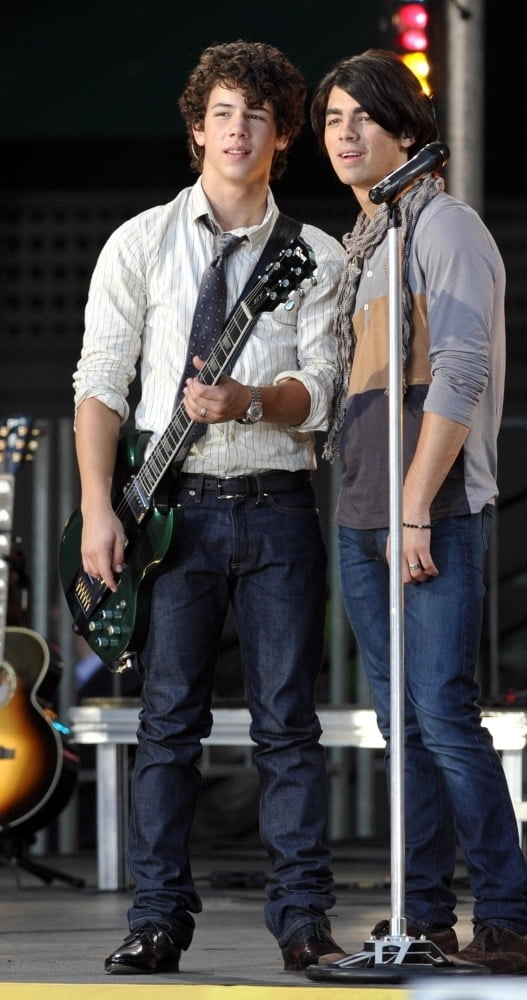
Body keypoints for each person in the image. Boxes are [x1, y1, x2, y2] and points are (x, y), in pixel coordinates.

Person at [71, 40, 346, 974]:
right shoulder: (139, 241)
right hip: (167, 512)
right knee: (166, 725)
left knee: (287, 725)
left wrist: (255, 401)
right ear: (196, 132)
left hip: (277, 505)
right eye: (223, 114)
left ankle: (304, 920)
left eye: (256, 117)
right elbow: (101, 383)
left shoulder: (314, 254)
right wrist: (98, 510)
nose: (238, 130)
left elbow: (323, 390)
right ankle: (157, 920)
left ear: (283, 139)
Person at [310, 50, 527, 974]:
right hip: (362, 510)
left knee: (444, 715)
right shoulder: (365, 241)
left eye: (361, 115)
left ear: (405, 126)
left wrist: (412, 507)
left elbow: (462, 369)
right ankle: (421, 917)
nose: (344, 134)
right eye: (330, 119)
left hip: (430, 511)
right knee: (398, 723)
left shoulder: (443, 228)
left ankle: (506, 921)